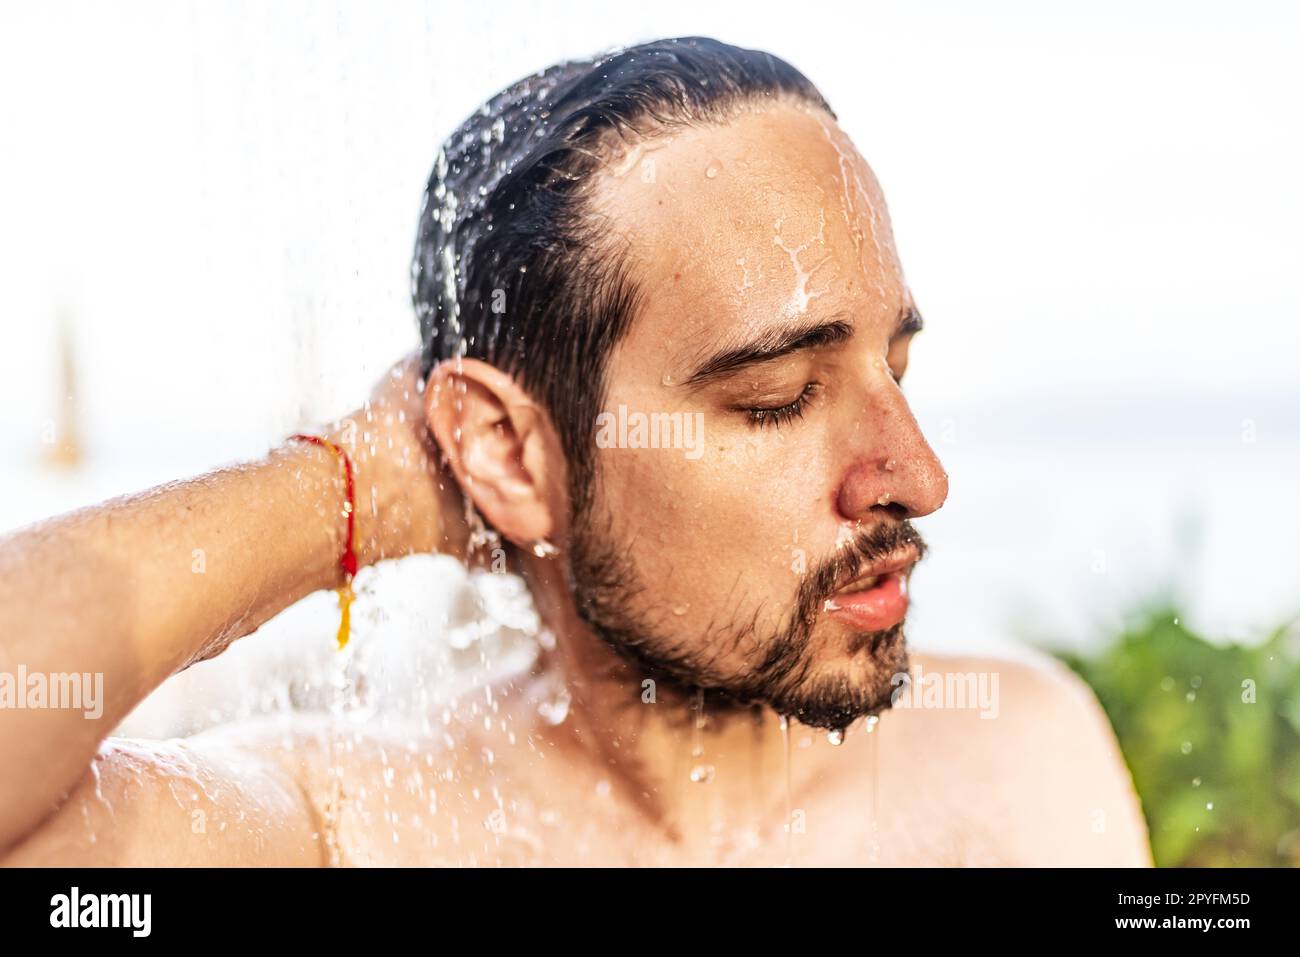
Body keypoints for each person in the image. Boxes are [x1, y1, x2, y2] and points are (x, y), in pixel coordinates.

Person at [0, 37, 1150, 866]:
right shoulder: (342, 826)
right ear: (506, 449)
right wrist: (359, 485)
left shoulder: (1016, 763)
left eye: (892, 369)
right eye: (777, 398)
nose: (919, 477)